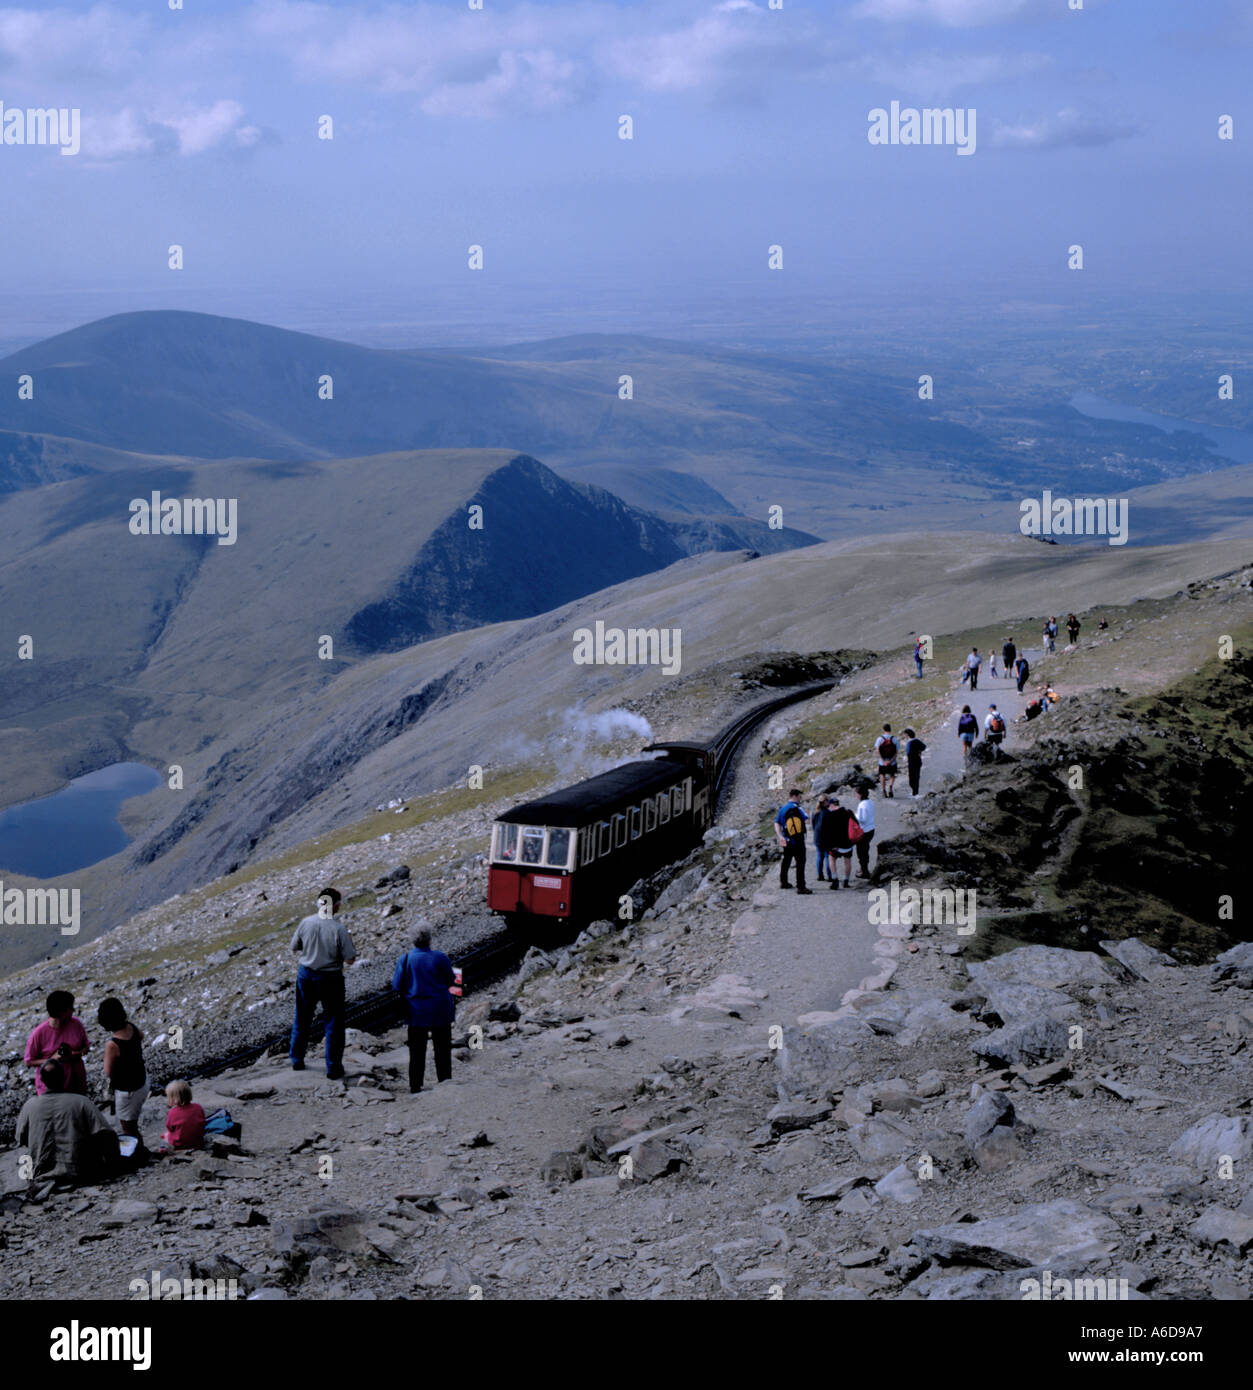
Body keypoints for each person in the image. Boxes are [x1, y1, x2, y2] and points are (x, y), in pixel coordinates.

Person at [289, 887, 357, 1080]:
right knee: (334, 1022)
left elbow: (295, 947)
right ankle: (333, 1068)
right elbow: (350, 959)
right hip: (331, 978)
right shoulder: (339, 929)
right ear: (335, 906)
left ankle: (296, 1059)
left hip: (306, 974)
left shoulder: (305, 923)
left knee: (302, 1017)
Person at [16, 1061, 114, 1186]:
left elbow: (21, 1138)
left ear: (41, 1079)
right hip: (79, 1172)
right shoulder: (81, 1101)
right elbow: (105, 1133)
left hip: (40, 1173)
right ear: (64, 1076)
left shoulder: (30, 1105)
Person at [391, 925, 457, 1093]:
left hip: (416, 1011)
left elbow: (397, 985)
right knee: (442, 1047)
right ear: (429, 939)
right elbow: (451, 980)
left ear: (413, 940)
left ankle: (415, 1085)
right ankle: (444, 1080)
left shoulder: (405, 959)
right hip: (440, 1008)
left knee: (417, 1050)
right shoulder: (440, 957)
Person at [98, 998, 148, 1141]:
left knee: (129, 1129)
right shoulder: (131, 1027)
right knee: (133, 1123)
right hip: (142, 1081)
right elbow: (142, 1036)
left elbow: (108, 1071)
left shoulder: (113, 1044)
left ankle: (138, 1154)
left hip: (127, 1090)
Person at [25, 990, 90, 1096]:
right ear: (61, 1012)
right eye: (70, 1008)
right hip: (51, 1089)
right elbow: (29, 1061)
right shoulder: (39, 1033)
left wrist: (76, 1053)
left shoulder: (76, 1024)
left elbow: (86, 1047)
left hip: (77, 1084)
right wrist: (53, 1059)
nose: (73, 1010)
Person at [774, 790, 812, 893]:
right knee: (800, 862)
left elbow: (777, 823)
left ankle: (783, 882)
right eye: (800, 797)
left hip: (787, 840)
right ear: (794, 796)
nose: (800, 799)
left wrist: (780, 836)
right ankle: (801, 886)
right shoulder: (798, 808)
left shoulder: (783, 809)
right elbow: (807, 820)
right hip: (798, 840)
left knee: (786, 861)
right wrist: (807, 814)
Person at [160, 1080, 206, 1151]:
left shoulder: (172, 1112)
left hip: (180, 1145)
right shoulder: (198, 1107)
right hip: (198, 1142)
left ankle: (163, 1149)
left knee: (165, 1135)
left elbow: (170, 1128)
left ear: (174, 1099)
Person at [824, 799, 855, 888]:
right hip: (848, 843)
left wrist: (829, 845)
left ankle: (835, 880)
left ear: (831, 805)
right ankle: (846, 881)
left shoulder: (830, 815)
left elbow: (828, 832)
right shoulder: (848, 812)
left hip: (835, 845)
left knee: (832, 860)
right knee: (847, 861)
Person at [853, 786, 875, 880]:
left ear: (860, 794)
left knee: (861, 852)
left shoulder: (862, 805)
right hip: (871, 828)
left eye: (856, 793)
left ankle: (864, 871)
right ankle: (863, 869)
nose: (855, 795)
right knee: (865, 850)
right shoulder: (870, 802)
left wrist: (854, 817)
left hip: (864, 830)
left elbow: (862, 819)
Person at [874, 724, 899, 798]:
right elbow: (897, 751)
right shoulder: (894, 739)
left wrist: (883, 761)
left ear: (883, 729)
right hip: (892, 761)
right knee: (892, 775)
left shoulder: (879, 739)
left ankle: (884, 790)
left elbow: (877, 751)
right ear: (890, 729)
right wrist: (891, 760)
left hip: (882, 762)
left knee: (882, 775)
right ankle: (890, 787)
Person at [903, 728, 927, 798]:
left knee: (915, 777)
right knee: (912, 777)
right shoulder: (910, 741)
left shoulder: (914, 741)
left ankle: (915, 793)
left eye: (905, 734)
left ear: (907, 734)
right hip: (912, 761)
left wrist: (918, 752)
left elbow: (924, 747)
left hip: (915, 761)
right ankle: (914, 791)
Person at [812, 796, 829, 880]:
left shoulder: (815, 812)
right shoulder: (827, 812)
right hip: (826, 838)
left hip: (817, 837)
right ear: (825, 802)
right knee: (827, 856)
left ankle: (820, 875)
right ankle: (830, 875)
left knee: (819, 856)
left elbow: (813, 825)